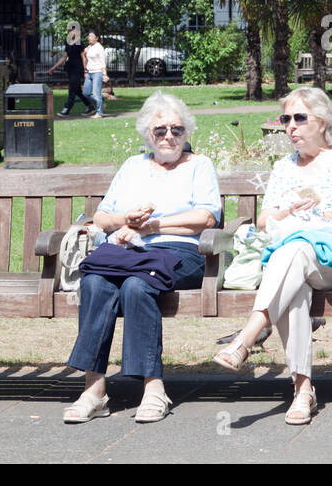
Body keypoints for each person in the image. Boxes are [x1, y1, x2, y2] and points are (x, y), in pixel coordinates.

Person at [212, 86, 332, 425]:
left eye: (299, 118)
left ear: (322, 121)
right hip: (297, 261)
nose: (291, 126)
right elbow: (263, 220)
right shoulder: (284, 167)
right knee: (294, 267)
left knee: (294, 251)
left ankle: (247, 336)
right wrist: (288, 208)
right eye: (285, 119)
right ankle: (303, 390)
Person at [63, 92, 221, 424]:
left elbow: (207, 218)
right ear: (147, 134)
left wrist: (154, 225)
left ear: (186, 132)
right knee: (94, 281)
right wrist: (127, 221)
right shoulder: (133, 166)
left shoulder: (199, 165)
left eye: (176, 130)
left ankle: (154, 389)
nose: (168, 136)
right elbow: (101, 218)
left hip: (180, 251)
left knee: (138, 286)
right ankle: (94, 390)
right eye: (160, 130)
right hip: (127, 250)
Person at [51, 27, 91, 116]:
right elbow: (64, 57)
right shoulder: (68, 42)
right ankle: (90, 106)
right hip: (70, 68)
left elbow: (83, 57)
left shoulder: (79, 43)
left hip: (78, 69)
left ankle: (67, 108)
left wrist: (85, 71)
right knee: (77, 91)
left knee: (72, 89)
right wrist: (54, 67)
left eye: (73, 31)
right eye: (70, 31)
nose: (71, 32)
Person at [83, 31, 109, 119]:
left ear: (96, 38)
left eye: (91, 36)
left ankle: (99, 113)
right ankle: (101, 103)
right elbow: (85, 58)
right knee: (85, 93)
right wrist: (86, 71)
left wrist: (104, 74)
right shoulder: (89, 47)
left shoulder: (99, 48)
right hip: (89, 73)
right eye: (89, 36)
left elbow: (103, 62)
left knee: (96, 94)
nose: (89, 38)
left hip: (97, 72)